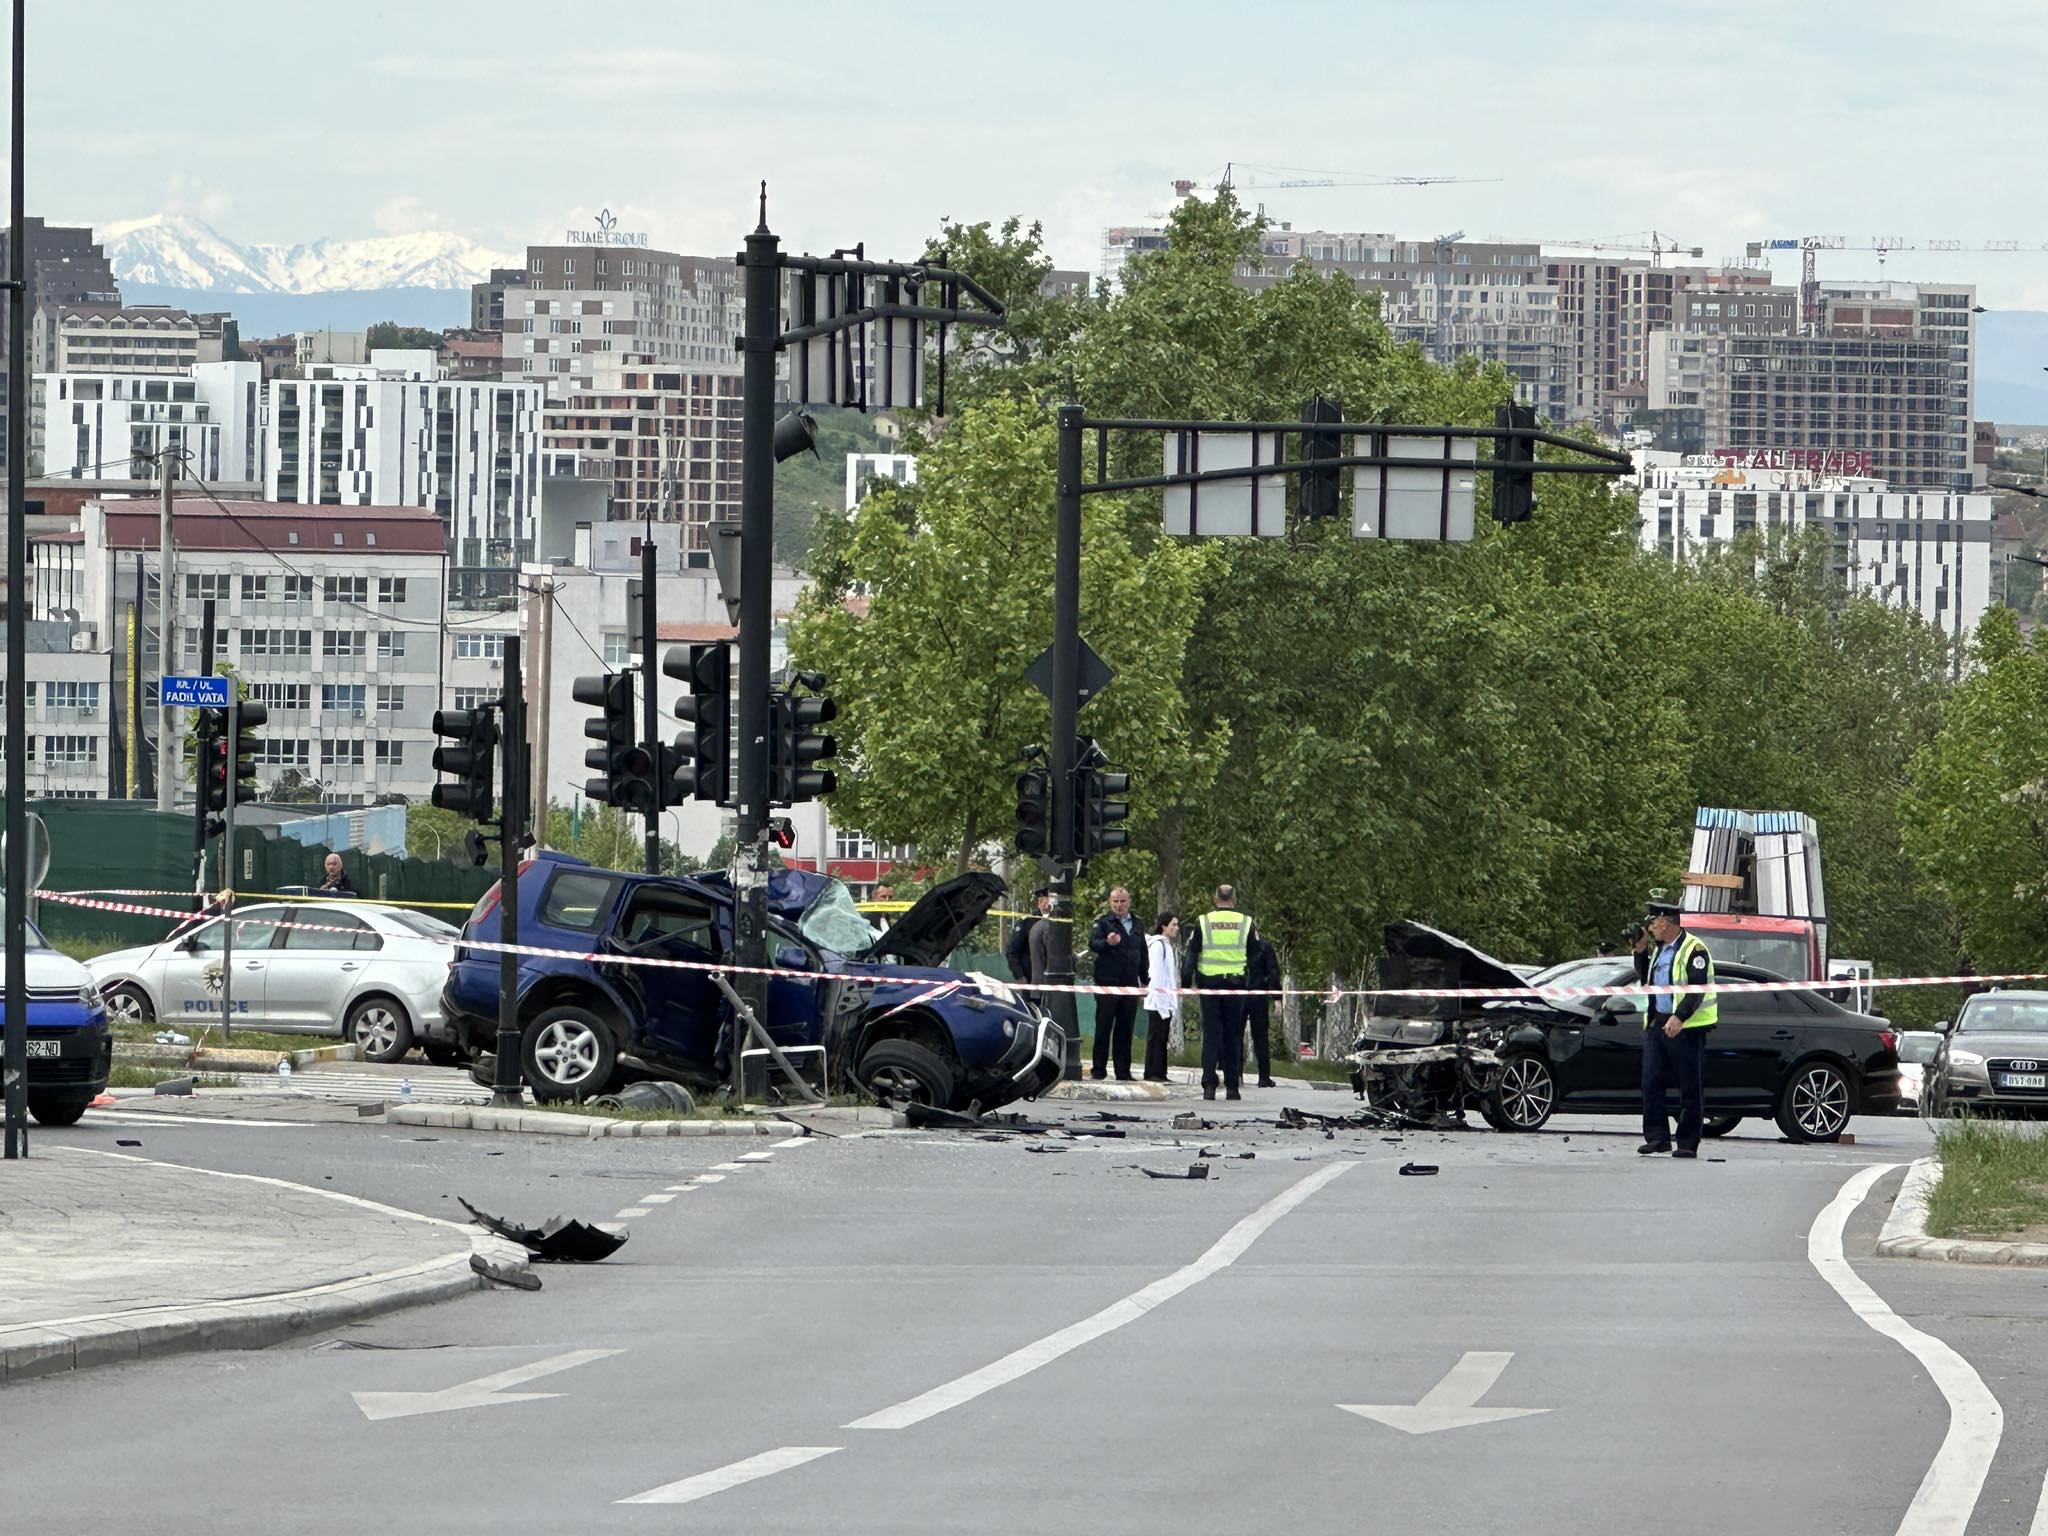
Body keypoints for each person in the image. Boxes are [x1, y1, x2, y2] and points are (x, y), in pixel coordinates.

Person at [1631, 895, 1717, 1158]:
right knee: (1651, 1081)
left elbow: (1697, 988)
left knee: (1689, 1085)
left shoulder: (1694, 948)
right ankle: (1657, 1137)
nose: (1651, 927)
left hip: (1688, 1026)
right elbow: (1646, 978)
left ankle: (1688, 1142)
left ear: (1667, 923)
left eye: (1653, 922)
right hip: (1658, 1023)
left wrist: (1680, 1017)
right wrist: (1639, 952)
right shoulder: (1659, 949)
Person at [1182, 884, 1258, 1101]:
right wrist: (1252, 984)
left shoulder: (1204, 922)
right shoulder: (1246, 923)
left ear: (1215, 899)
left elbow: (1191, 954)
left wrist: (1187, 982)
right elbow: (1254, 956)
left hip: (1210, 985)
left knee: (1212, 1035)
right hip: (1236, 986)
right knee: (1233, 1036)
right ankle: (1232, 1086)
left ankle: (1209, 1085)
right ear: (1234, 899)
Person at [1087, 886, 1150, 1081]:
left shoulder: (1137, 923)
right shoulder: (1103, 922)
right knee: (1104, 1027)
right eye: (1115, 901)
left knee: (1125, 1028)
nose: (1119, 905)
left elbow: (1142, 953)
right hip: (1108, 982)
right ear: (1110, 902)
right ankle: (1099, 1070)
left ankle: (1123, 1071)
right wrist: (1108, 943)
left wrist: (1144, 981)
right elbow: (1093, 944)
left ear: (1129, 902)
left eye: (1122, 901)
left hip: (1130, 982)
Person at [1142, 912, 1180, 1082]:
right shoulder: (1158, 945)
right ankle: (1152, 1072)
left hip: (1166, 999)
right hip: (1158, 1000)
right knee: (1156, 1038)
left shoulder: (1167, 945)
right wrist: (1159, 998)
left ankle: (1160, 1071)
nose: (1176, 928)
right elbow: (1156, 973)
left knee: (1162, 1037)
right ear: (1164, 926)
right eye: (1173, 925)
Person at [1244, 932, 1280, 1088]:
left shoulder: (1237, 947)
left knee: (1234, 1036)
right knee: (1260, 1037)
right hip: (1259, 996)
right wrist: (1277, 999)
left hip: (1238, 995)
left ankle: (1235, 1074)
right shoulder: (1265, 947)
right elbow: (1273, 973)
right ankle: (1264, 1077)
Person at [1006, 888, 1051, 991]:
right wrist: (1019, 975)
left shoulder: (1059, 921)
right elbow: (1012, 950)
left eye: (1044, 900)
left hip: (1055, 980)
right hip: (1031, 978)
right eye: (1040, 900)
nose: (1041, 903)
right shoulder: (1028, 921)